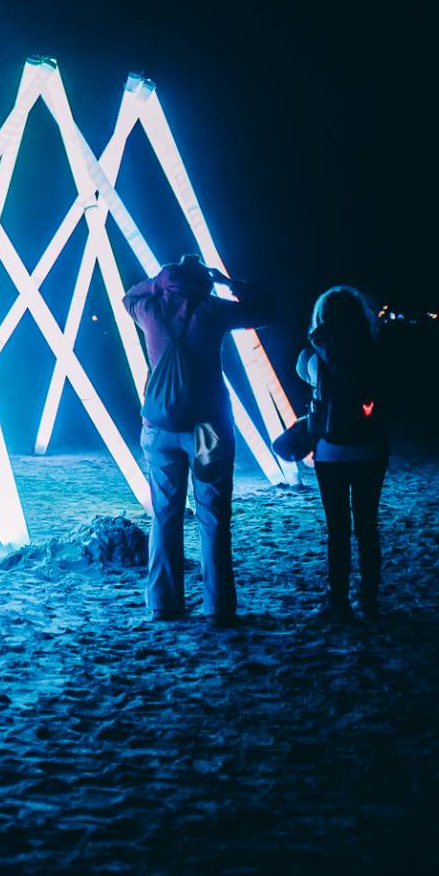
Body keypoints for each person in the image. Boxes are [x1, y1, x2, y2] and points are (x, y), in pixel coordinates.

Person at [120, 254, 276, 626]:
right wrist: (225, 282)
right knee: (213, 514)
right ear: (201, 281)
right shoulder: (213, 311)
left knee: (165, 514)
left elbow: (128, 296)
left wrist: (157, 282)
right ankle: (218, 606)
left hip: (158, 427)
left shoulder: (149, 309)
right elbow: (265, 311)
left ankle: (163, 603)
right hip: (207, 428)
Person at [297, 286, 390, 619]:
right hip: (371, 447)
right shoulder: (375, 351)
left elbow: (310, 386)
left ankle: (336, 600)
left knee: (337, 528)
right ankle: (369, 599)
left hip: (331, 450)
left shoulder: (313, 354)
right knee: (367, 525)